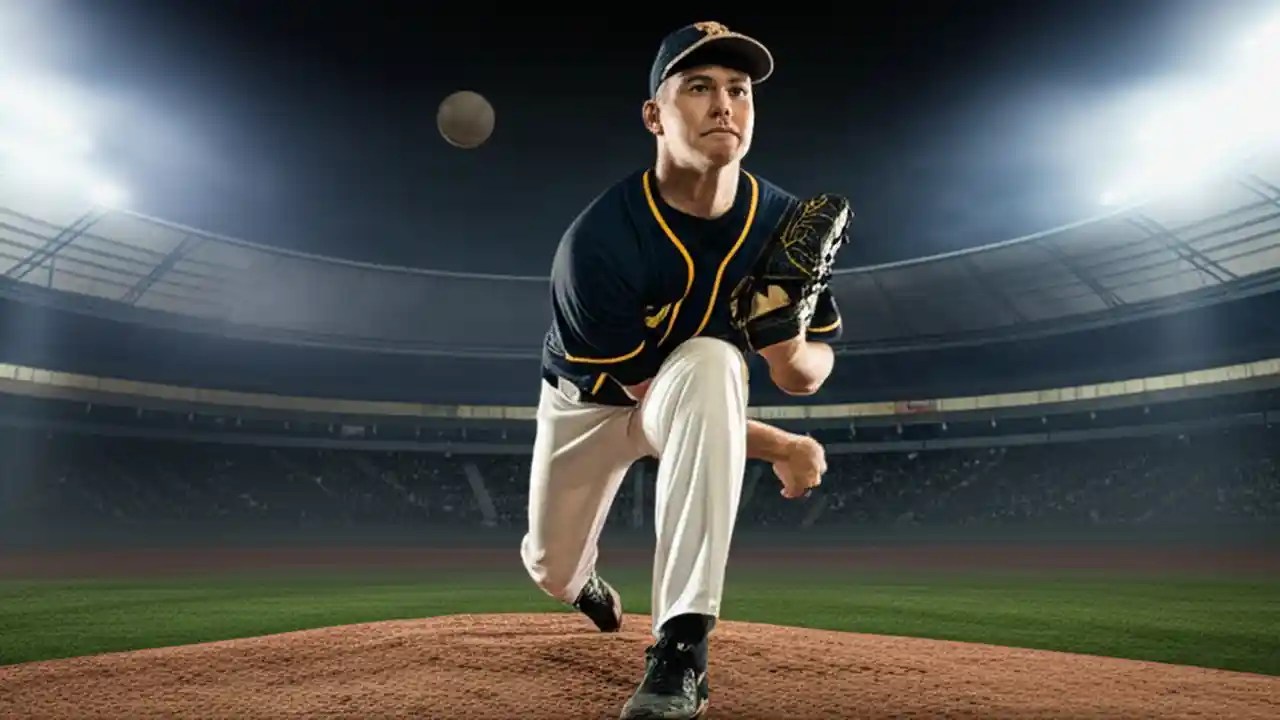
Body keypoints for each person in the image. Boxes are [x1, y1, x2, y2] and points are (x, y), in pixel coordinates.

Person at [521, 20, 849, 720]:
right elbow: (644, 410)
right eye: (698, 87)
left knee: (711, 360)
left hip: (690, 388)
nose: (723, 104)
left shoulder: (782, 223)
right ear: (654, 115)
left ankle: (681, 650)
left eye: (739, 89)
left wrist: (787, 347)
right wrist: (785, 446)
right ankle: (583, 583)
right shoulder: (600, 242)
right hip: (590, 405)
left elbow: (806, 373)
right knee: (549, 568)